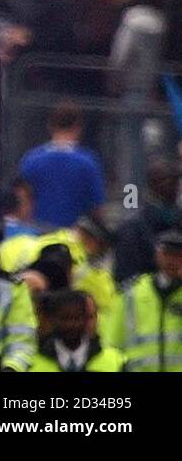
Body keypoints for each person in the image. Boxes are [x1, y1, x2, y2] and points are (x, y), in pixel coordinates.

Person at [17, 100, 106, 228]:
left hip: (36, 237)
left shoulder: (31, 160)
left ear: (50, 125)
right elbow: (97, 209)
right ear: (78, 127)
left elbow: (21, 204)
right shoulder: (87, 163)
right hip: (73, 239)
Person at [107, 229, 182, 372]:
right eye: (168, 254)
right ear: (157, 255)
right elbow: (111, 343)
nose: (173, 261)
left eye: (179, 256)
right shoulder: (131, 293)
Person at [114, 155, 182, 282]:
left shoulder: (178, 219)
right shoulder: (134, 228)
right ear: (152, 184)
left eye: (176, 181)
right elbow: (126, 276)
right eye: (167, 181)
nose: (174, 187)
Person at [29, 289, 125, 372]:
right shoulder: (30, 363)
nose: (71, 325)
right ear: (52, 320)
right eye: (64, 318)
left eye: (77, 318)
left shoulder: (116, 361)